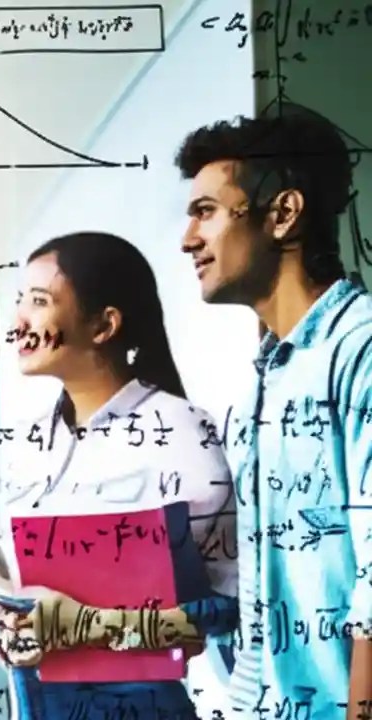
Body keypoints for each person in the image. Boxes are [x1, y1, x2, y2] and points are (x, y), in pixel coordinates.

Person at [0, 232, 239, 719]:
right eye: (19, 303)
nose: (18, 323)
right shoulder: (27, 445)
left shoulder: (180, 429)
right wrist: (18, 634)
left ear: (104, 325)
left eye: (39, 301)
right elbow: (29, 594)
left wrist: (87, 628)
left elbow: (224, 611)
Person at [175, 104, 372, 719]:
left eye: (206, 212)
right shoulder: (264, 380)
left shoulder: (360, 346)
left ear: (283, 214)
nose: (188, 240)